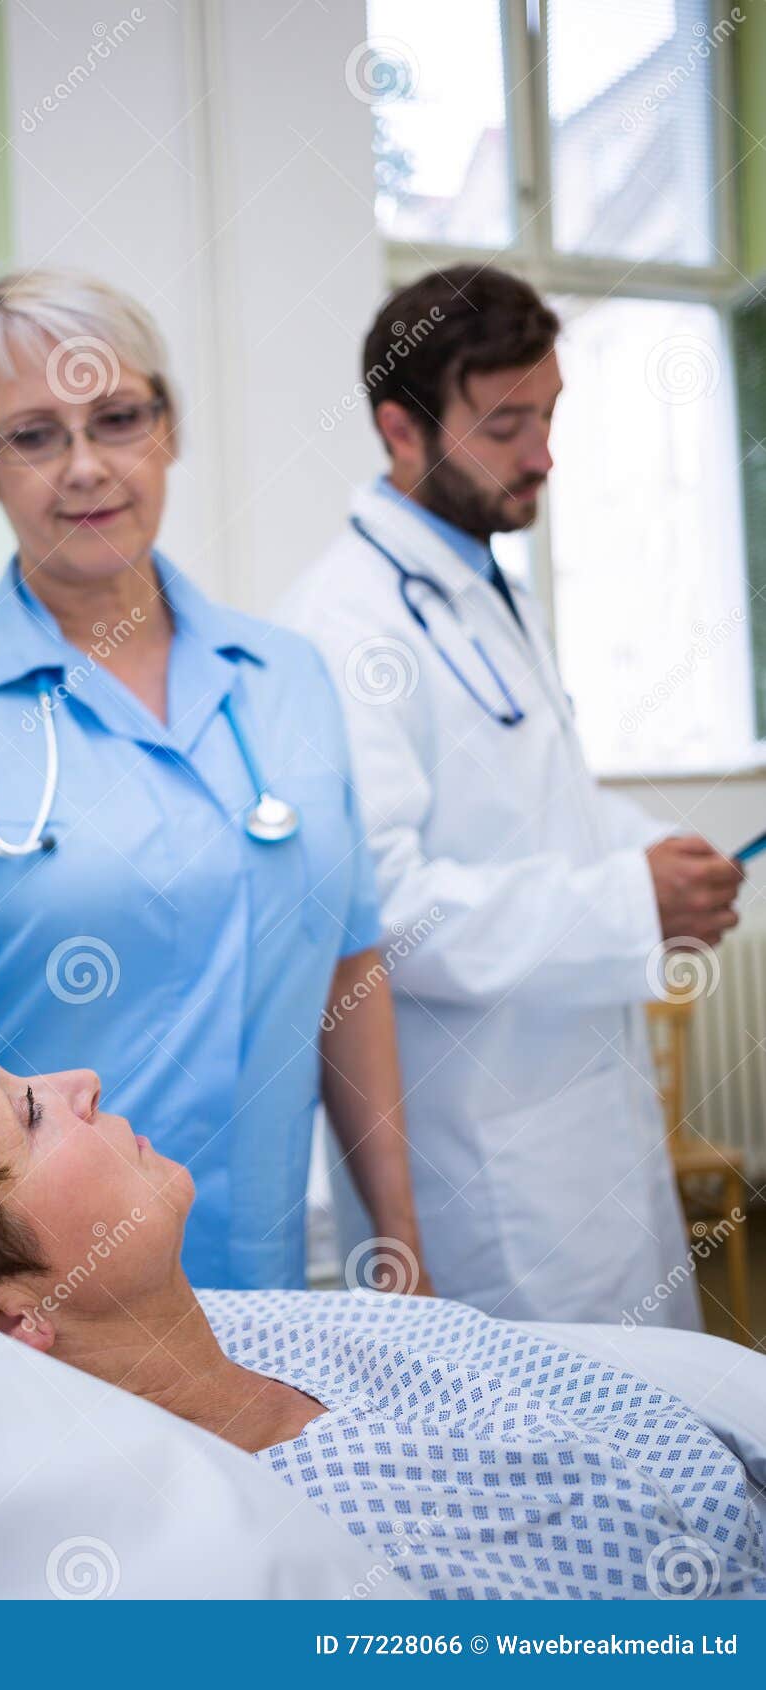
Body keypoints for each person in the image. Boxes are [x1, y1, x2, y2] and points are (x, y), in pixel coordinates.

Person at [0, 983, 763, 1601]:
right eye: (26, 1112)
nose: (82, 1082)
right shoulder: (306, 1549)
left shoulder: (254, 1330)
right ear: (8, 1317)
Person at [0, 269, 427, 1292]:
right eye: (35, 435)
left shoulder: (289, 678)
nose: (86, 466)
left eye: (117, 418)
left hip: (264, 1269)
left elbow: (347, 973)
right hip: (43, 1296)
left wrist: (399, 1240)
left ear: (166, 427)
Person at [277, 265, 743, 1326]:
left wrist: (659, 857)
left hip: (582, 1118)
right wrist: (625, 901)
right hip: (481, 1157)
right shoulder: (343, 624)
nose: (541, 456)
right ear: (400, 430)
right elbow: (382, 911)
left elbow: (543, 805)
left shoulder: (490, 589)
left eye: (548, 416)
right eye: (503, 426)